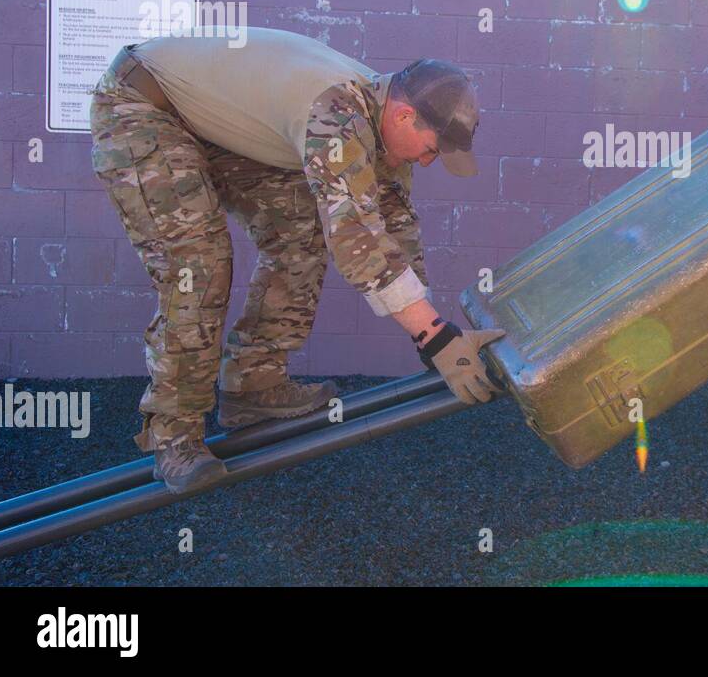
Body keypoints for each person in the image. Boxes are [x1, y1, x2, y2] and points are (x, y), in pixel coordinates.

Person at [89, 26, 505, 493]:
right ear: (405, 115)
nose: (429, 162)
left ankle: (252, 385)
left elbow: (392, 228)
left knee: (300, 233)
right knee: (199, 264)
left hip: (215, 125)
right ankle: (174, 434)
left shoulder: (378, 121)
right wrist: (434, 336)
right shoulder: (337, 113)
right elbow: (355, 236)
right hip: (145, 108)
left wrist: (435, 335)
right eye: (432, 149)